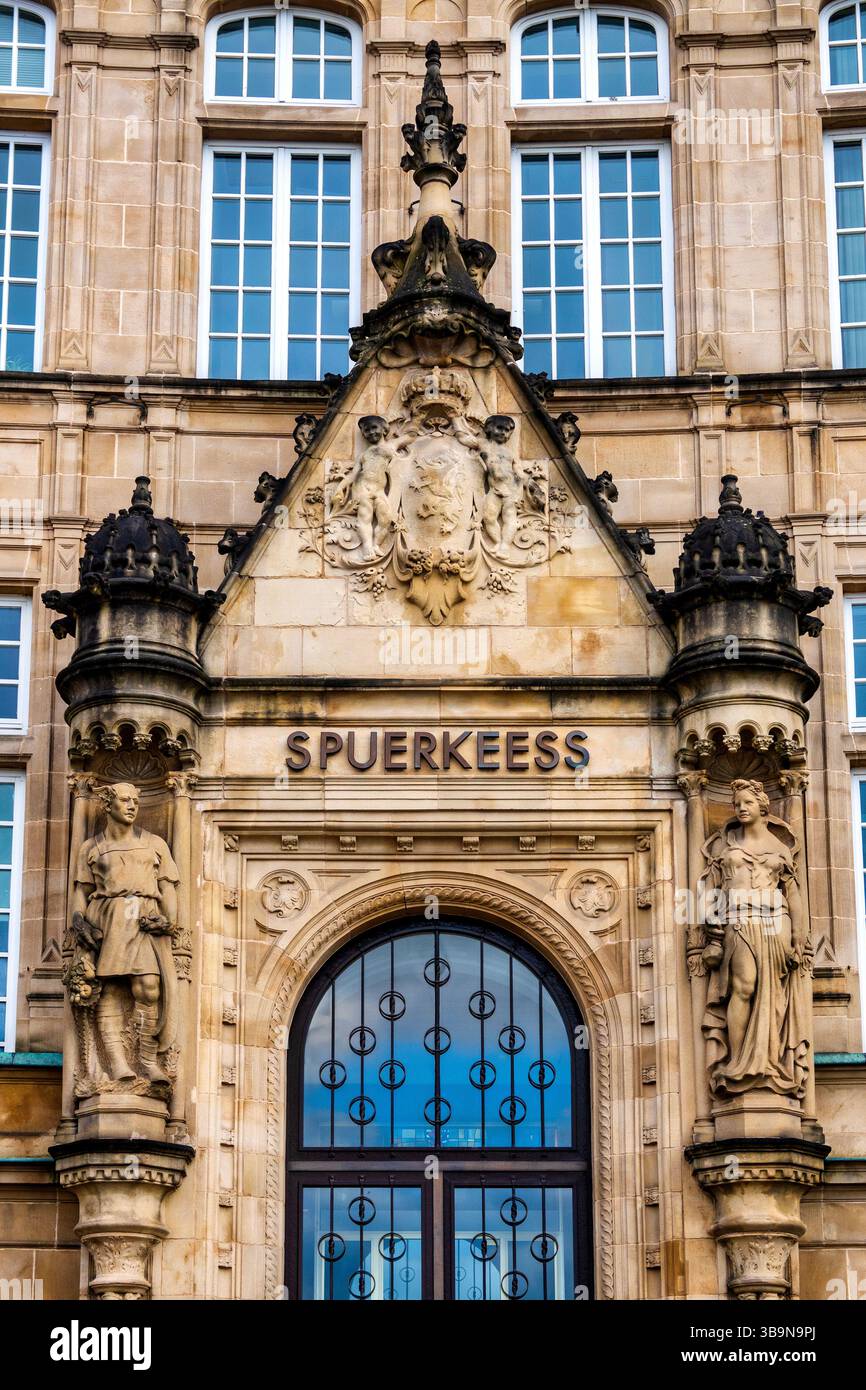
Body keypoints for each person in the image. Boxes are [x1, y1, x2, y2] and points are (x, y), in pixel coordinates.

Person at [700, 778, 810, 1099]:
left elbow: (794, 896)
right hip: (739, 920)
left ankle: (768, 1061)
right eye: (737, 805)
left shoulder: (779, 849)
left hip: (775, 923)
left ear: (763, 807)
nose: (741, 809)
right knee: (743, 985)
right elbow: (711, 891)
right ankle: (739, 1061)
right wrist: (710, 922)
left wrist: (798, 939)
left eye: (747, 803)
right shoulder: (727, 846)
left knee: (773, 994)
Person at [71, 782, 180, 1083]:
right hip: (108, 917)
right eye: (124, 800)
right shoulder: (92, 847)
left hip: (144, 917)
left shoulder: (154, 843)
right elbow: (82, 890)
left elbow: (168, 887)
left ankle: (147, 1060)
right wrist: (79, 922)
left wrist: (169, 921)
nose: (132, 806)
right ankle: (118, 1063)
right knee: (111, 989)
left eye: (135, 801)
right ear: (108, 805)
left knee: (148, 987)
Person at [330, 416, 413, 560]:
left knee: (385, 519)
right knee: (365, 517)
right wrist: (340, 488)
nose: (370, 432)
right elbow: (353, 475)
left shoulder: (390, 446)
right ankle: (367, 547)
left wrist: (416, 418)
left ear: (384, 429)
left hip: (379, 490)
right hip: (363, 488)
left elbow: (411, 436)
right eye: (366, 430)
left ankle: (376, 545)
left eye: (374, 428)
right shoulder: (363, 455)